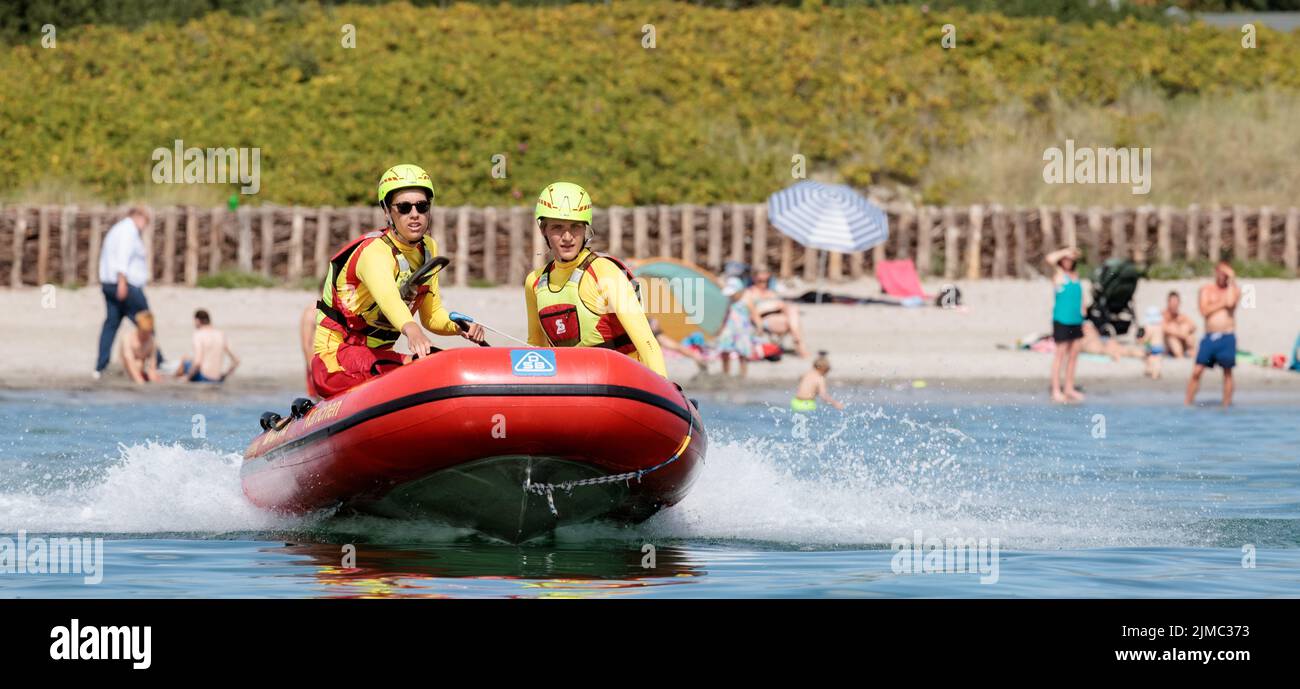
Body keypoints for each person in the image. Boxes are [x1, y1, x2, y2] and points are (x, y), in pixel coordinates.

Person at [311, 164, 486, 398]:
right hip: (336, 360)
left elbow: (432, 316)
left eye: (422, 206)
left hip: (378, 357)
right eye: (404, 207)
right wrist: (410, 329)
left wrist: (459, 327)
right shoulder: (374, 252)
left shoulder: (428, 249)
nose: (414, 214)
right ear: (387, 211)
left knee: (435, 362)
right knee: (426, 367)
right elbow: (388, 298)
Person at [523, 182, 666, 377]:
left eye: (575, 227)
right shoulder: (534, 282)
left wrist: (664, 384)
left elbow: (646, 342)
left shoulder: (604, 271)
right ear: (543, 230)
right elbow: (536, 350)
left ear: (585, 229)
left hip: (624, 381)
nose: (567, 237)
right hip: (575, 384)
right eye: (557, 227)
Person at [95, 206, 162, 379]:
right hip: (124, 284)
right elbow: (122, 257)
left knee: (111, 323)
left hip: (111, 283)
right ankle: (157, 362)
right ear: (138, 216)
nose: (145, 226)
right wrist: (122, 282)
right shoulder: (128, 230)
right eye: (145, 222)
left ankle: (101, 366)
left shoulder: (119, 229)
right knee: (145, 320)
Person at [1186, 261, 1241, 407]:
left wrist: (1232, 279)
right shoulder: (1206, 290)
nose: (1222, 276)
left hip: (1227, 336)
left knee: (1227, 372)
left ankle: (1226, 405)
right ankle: (1187, 403)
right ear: (1215, 272)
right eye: (1221, 272)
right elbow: (1204, 311)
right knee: (1197, 370)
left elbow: (1230, 303)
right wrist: (1221, 303)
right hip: (1210, 337)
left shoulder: (1233, 289)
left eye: (1226, 274)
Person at [743, 265, 809, 358]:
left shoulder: (772, 292)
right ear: (754, 278)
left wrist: (778, 306)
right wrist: (766, 309)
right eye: (760, 280)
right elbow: (749, 311)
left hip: (779, 316)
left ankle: (797, 339)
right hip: (762, 317)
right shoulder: (749, 292)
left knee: (792, 309)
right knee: (792, 317)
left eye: (765, 280)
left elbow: (782, 306)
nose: (763, 283)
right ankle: (798, 342)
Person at [1046, 247, 1085, 403]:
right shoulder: (1059, 275)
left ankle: (1069, 387)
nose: (1068, 261)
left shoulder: (1075, 275)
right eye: (1065, 259)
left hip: (1076, 320)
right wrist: (1065, 251)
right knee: (1060, 356)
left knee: (1074, 355)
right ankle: (1056, 389)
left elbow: (1080, 298)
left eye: (1070, 259)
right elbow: (1049, 258)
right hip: (1062, 320)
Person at [174, 309, 239, 383]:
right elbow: (236, 361)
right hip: (218, 379)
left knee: (185, 359)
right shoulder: (221, 334)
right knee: (190, 359)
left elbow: (198, 363)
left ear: (197, 321)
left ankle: (175, 380)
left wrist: (187, 378)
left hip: (204, 377)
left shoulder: (199, 335)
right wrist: (224, 376)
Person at [716, 276, 758, 377]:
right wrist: (720, 329)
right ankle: (725, 373)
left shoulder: (746, 301)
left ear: (740, 291)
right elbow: (725, 315)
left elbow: (754, 314)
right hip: (729, 329)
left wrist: (759, 327)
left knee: (742, 353)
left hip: (742, 330)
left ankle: (742, 374)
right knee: (725, 350)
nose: (731, 296)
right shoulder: (729, 301)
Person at [118, 310, 161, 384]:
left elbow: (152, 363)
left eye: (148, 332)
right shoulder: (128, 338)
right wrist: (139, 380)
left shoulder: (151, 341)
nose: (146, 335)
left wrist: (153, 378)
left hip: (141, 369)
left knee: (153, 374)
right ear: (138, 327)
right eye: (144, 332)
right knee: (138, 363)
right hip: (124, 369)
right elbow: (128, 360)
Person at [1160, 291, 1197, 358]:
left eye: (1176, 302)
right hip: (1168, 346)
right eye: (1173, 302)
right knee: (1172, 336)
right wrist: (1181, 333)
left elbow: (1193, 326)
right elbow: (1164, 329)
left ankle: (1191, 355)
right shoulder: (1163, 315)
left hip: (1182, 342)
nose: (1174, 305)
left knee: (1188, 332)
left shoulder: (1181, 316)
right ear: (1168, 302)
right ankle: (1180, 355)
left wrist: (1185, 330)